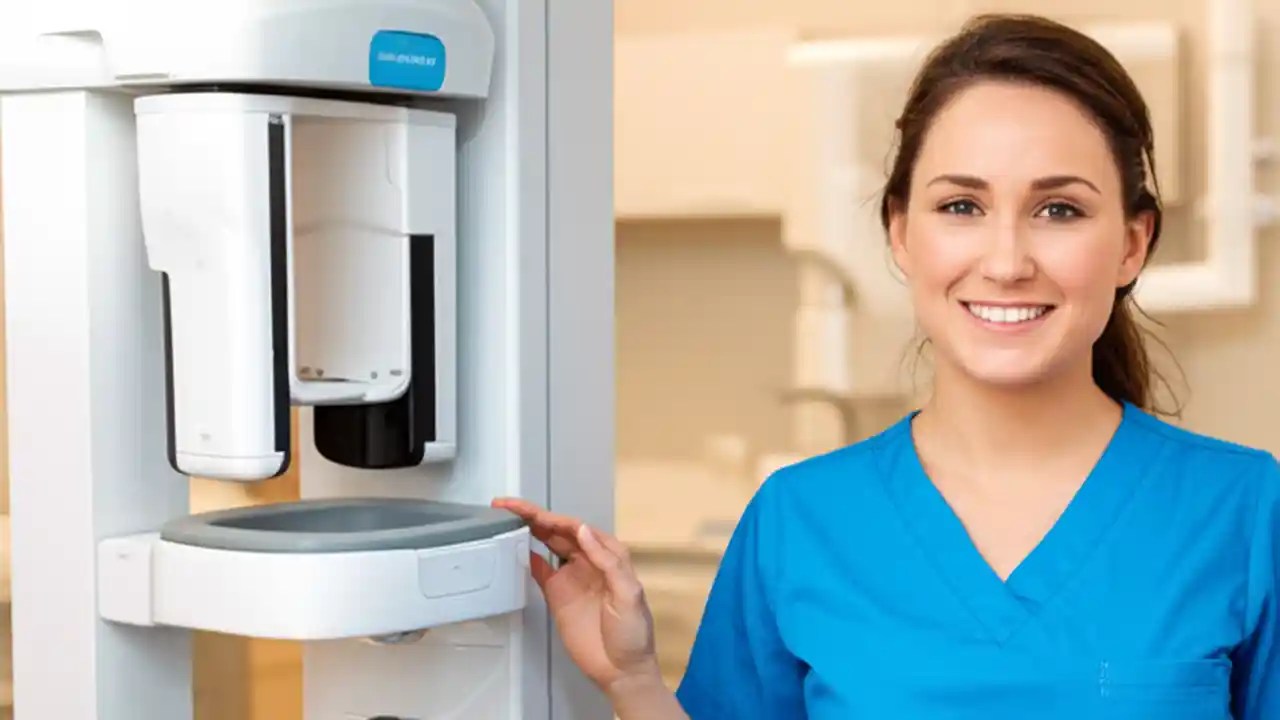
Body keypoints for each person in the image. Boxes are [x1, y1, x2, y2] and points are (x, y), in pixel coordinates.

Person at [494, 12, 1279, 718]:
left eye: (1059, 210)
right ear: (901, 234)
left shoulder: (1247, 512)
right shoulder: (799, 520)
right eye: (961, 207)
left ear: (1134, 243)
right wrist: (632, 682)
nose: (1006, 261)